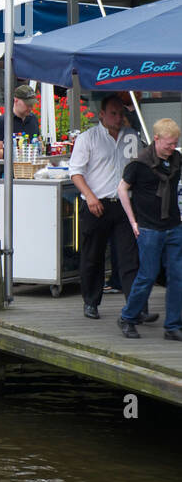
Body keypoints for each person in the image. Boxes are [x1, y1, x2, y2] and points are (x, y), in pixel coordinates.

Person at [70, 95, 145, 321]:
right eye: (113, 113)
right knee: (93, 256)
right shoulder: (88, 138)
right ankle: (91, 301)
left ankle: (135, 306)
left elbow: (140, 165)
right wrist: (90, 197)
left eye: (121, 113)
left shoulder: (132, 136)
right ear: (101, 114)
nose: (118, 117)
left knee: (129, 257)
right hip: (97, 202)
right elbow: (75, 172)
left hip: (124, 204)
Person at [116, 119, 182, 339]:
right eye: (169, 144)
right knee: (147, 275)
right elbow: (122, 190)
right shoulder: (139, 163)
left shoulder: (177, 160)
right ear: (156, 139)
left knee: (178, 275)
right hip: (149, 227)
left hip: (173, 225)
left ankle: (172, 325)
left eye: (175, 143)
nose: (172, 148)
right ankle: (128, 317)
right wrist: (133, 221)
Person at [0, 84, 40, 173]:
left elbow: (38, 141)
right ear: (16, 100)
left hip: (31, 171)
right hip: (8, 173)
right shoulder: (4, 121)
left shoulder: (33, 119)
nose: (30, 107)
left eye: (32, 104)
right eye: (27, 104)